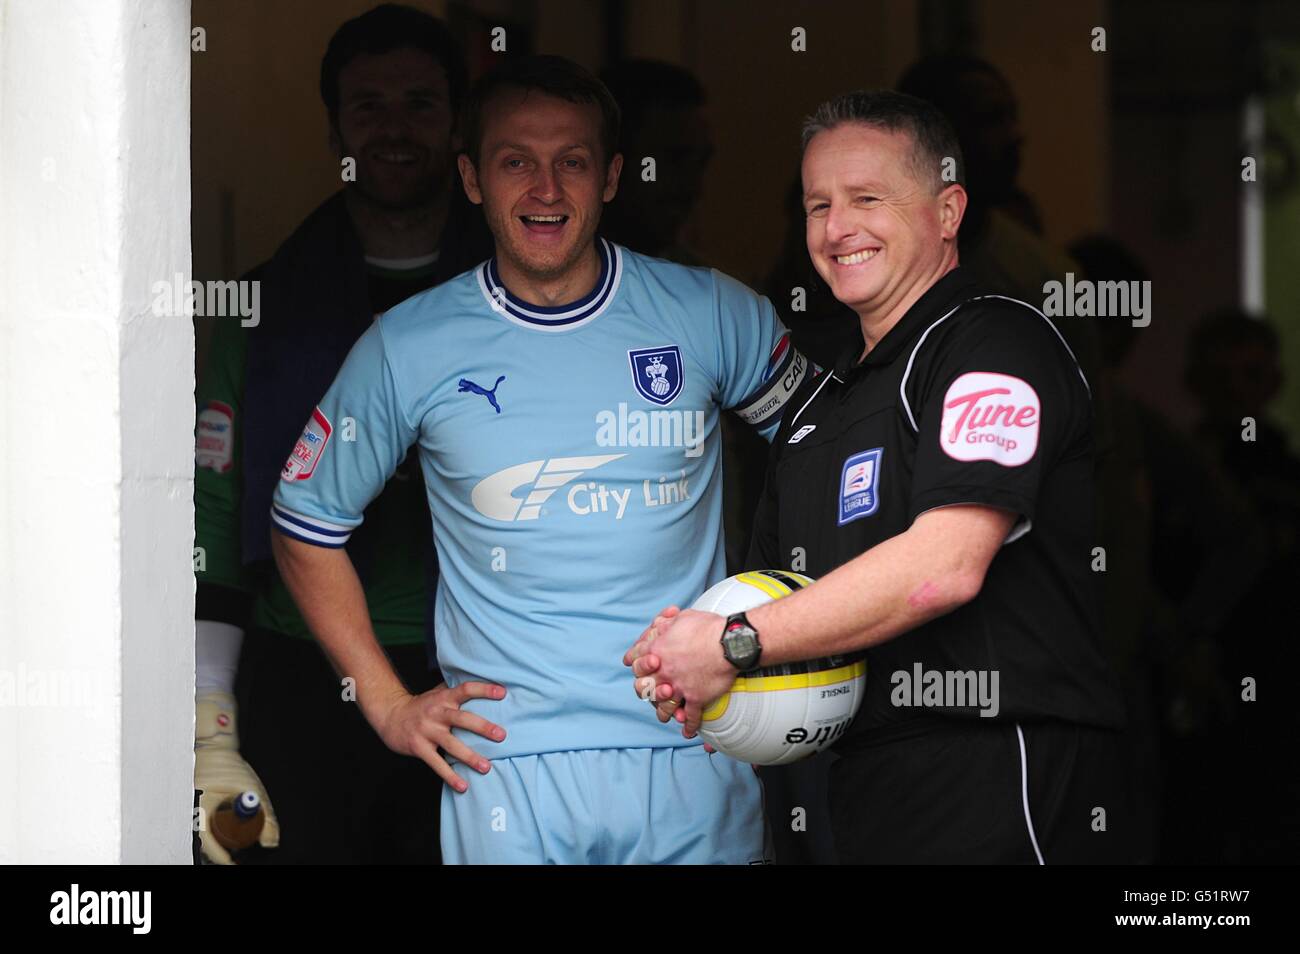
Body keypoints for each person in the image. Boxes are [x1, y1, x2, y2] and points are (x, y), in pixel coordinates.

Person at [268, 55, 810, 864]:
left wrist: (793, 626)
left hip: (695, 744)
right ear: (473, 178)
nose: (546, 189)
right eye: (516, 161)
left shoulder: (711, 312)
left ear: (613, 177)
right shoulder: (407, 346)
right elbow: (303, 523)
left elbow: (832, 454)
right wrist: (386, 705)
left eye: (573, 162)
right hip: (504, 768)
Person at [628, 90, 1131, 864]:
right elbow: (775, 597)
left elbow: (945, 569)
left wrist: (728, 646)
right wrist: (681, 653)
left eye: (868, 199)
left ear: (948, 210)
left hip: (998, 763)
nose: (837, 229)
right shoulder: (816, 409)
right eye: (818, 204)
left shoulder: (994, 342)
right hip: (860, 779)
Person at [193, 3, 490, 864]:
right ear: (335, 130)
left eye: (420, 105)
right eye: (369, 107)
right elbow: (216, 522)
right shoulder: (266, 304)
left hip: (478, 675)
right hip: (302, 680)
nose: (394, 131)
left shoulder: (522, 297)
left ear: (457, 125)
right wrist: (212, 726)